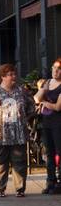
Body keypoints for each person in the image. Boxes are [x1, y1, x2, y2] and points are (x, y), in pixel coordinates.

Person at [0, 63, 35, 197]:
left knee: (20, 162)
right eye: (10, 74)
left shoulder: (22, 91)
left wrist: (23, 118)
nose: (13, 76)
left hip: (18, 133)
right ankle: (0, 188)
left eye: (14, 74)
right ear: (3, 77)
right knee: (0, 163)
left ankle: (20, 189)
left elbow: (31, 106)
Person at [34, 59, 61, 194]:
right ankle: (50, 181)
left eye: (59, 68)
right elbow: (36, 98)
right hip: (47, 123)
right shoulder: (48, 82)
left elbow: (57, 107)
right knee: (49, 153)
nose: (55, 71)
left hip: (58, 123)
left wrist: (44, 102)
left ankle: (59, 183)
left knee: (59, 152)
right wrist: (43, 90)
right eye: (54, 68)